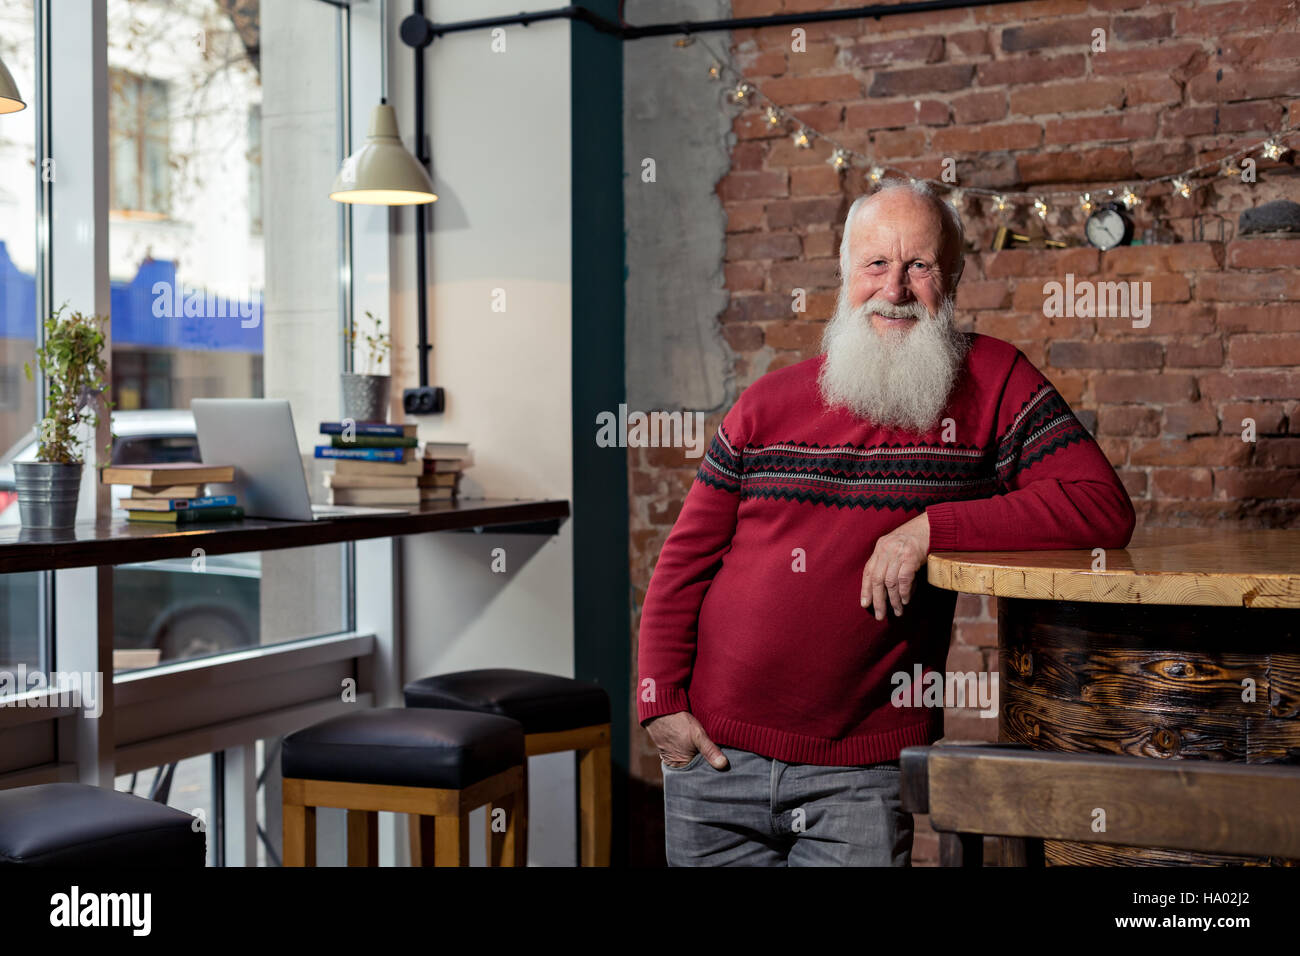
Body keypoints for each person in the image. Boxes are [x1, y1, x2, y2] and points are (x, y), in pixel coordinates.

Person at [637, 179, 1136, 866]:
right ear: (845, 275)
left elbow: (1099, 506)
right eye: (876, 264)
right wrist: (660, 701)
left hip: (859, 774)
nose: (895, 288)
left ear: (953, 277)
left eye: (919, 266)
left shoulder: (993, 381)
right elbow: (684, 562)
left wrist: (932, 528)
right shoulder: (765, 404)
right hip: (715, 758)